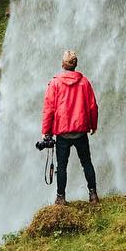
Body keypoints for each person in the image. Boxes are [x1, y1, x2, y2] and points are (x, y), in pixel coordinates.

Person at [41, 50, 99, 205]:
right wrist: (93, 126)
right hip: (80, 132)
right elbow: (93, 107)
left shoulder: (55, 83)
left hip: (63, 133)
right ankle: (93, 195)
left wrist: (46, 132)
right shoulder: (84, 82)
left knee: (62, 166)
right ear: (75, 65)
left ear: (63, 64)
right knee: (86, 163)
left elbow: (49, 109)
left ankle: (61, 198)